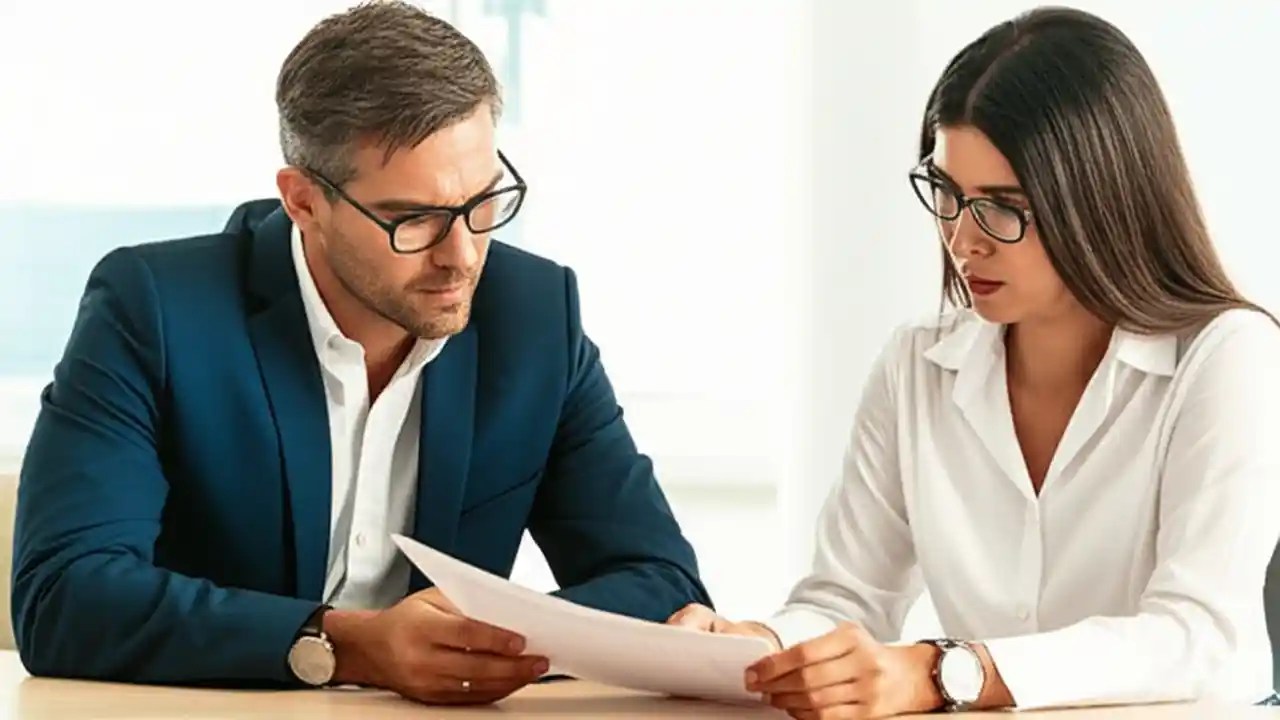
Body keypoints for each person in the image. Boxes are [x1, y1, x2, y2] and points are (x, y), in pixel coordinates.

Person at [11, 0, 709, 706]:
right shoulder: (155, 309)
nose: (462, 255)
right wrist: (347, 644)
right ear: (304, 201)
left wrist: (484, 641)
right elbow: (61, 596)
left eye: (483, 202)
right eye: (413, 219)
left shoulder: (534, 317)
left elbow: (663, 583)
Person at [670, 7, 1280, 718]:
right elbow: (848, 597)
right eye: (948, 195)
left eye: (1003, 206)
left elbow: (1195, 634)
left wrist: (947, 672)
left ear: (1100, 200)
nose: (962, 239)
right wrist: (758, 646)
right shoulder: (917, 365)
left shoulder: (1229, 358)